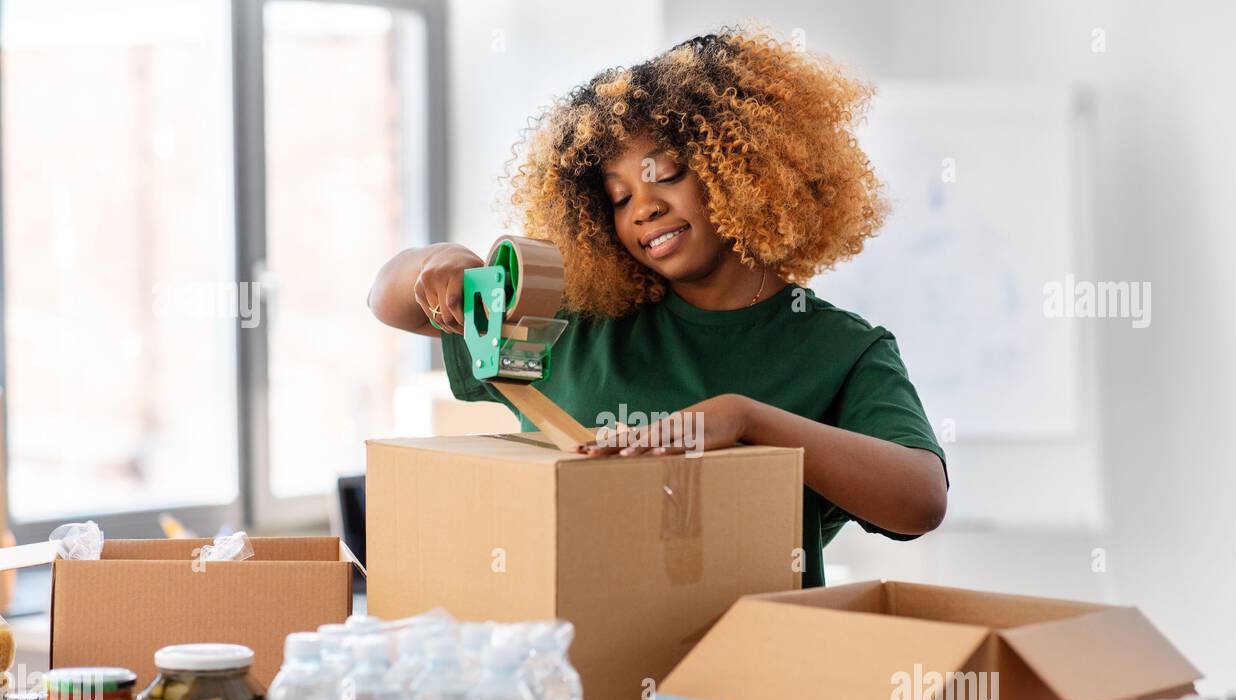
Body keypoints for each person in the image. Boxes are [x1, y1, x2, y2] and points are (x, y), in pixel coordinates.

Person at [369, 29, 948, 587]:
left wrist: (748, 420)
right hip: (565, 654)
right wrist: (437, 262)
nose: (643, 208)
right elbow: (388, 303)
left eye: (666, 174)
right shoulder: (572, 319)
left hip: (744, 662)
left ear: (745, 169)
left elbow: (920, 502)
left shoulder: (839, 349)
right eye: (619, 198)